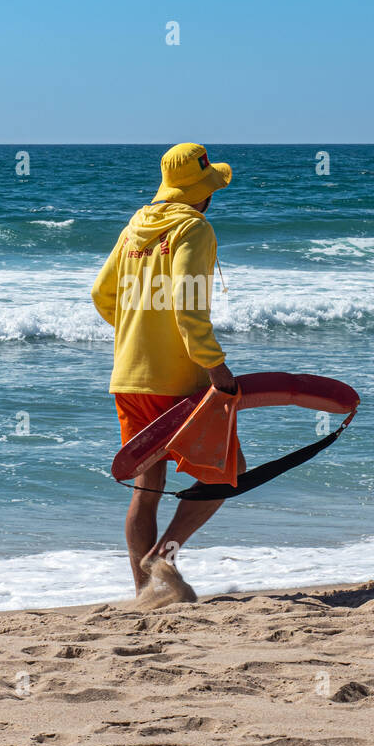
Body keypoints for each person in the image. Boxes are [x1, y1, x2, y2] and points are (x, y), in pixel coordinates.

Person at [91, 143, 244, 610]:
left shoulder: (137, 224)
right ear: (203, 193)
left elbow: (101, 293)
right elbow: (188, 307)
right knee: (223, 479)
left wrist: (139, 330)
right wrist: (216, 368)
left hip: (128, 376)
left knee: (146, 487)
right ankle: (163, 557)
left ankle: (146, 596)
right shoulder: (194, 228)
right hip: (179, 382)